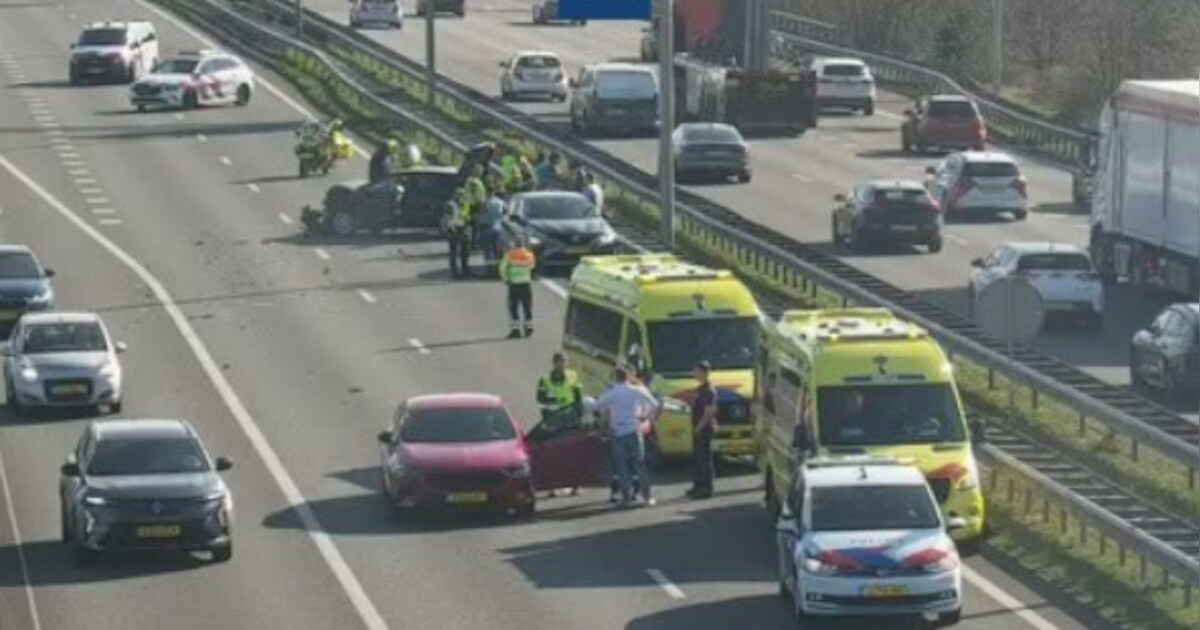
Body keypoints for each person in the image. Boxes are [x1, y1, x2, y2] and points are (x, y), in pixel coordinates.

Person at [594, 366, 659, 508]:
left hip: (617, 432)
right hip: (634, 430)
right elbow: (655, 404)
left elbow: (597, 405)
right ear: (628, 377)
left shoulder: (611, 393)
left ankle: (626, 497)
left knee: (621, 466)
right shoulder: (637, 390)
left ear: (615, 378)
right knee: (639, 464)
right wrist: (645, 416)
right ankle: (647, 496)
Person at [687, 360, 719, 500]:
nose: (694, 373)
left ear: (703, 372)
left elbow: (709, 412)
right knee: (698, 458)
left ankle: (706, 488)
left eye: (696, 371)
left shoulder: (708, 390)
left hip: (704, 428)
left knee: (704, 459)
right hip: (698, 427)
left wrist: (699, 427)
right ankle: (698, 485)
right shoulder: (700, 388)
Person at [498, 237, 535, 338]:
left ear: (514, 244)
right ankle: (529, 329)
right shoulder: (529, 255)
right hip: (526, 284)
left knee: (513, 308)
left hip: (514, 284)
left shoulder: (509, 255)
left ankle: (515, 331)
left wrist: (506, 279)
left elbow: (502, 268)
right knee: (527, 307)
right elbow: (531, 266)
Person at [536, 352, 583, 421]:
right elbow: (540, 398)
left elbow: (578, 395)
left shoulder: (573, 375)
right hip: (551, 414)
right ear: (553, 363)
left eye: (563, 361)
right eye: (558, 361)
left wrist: (579, 410)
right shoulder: (544, 379)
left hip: (569, 412)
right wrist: (556, 400)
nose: (561, 364)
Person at [445, 190, 473, 279]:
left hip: (464, 228)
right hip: (453, 228)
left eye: (462, 195)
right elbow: (447, 217)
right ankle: (454, 272)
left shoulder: (466, 204)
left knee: (466, 250)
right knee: (453, 251)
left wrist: (468, 223)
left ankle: (465, 270)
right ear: (455, 195)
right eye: (459, 195)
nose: (461, 197)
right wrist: (450, 227)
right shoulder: (450, 204)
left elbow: (468, 215)